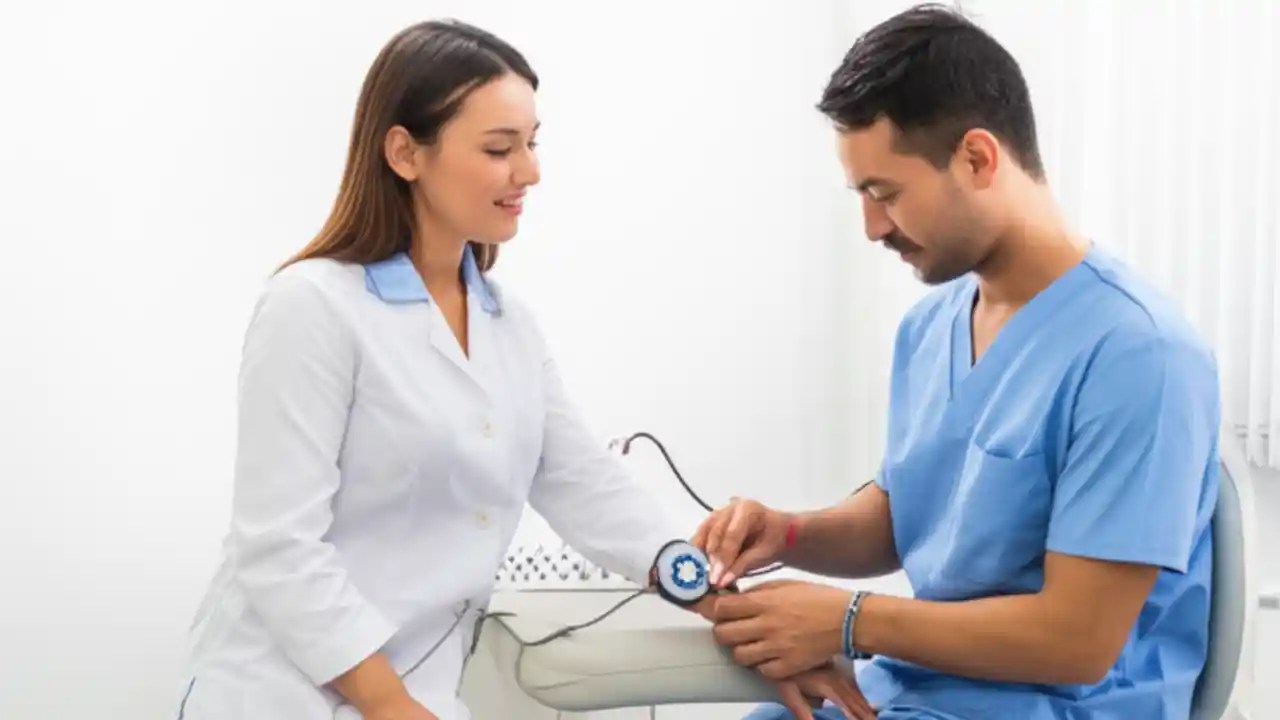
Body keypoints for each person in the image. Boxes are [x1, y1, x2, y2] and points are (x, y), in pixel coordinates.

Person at [694, 5, 1221, 720]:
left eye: (885, 194)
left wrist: (847, 619)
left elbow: (1077, 641)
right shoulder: (930, 326)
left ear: (977, 158)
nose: (873, 228)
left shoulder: (1139, 354)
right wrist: (788, 534)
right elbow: (914, 512)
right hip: (911, 691)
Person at [175, 20, 695, 720]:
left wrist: (691, 575)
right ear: (404, 152)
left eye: (531, 144)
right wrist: (388, 704)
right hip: (282, 693)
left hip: (418, 691)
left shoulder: (509, 325)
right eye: (498, 149)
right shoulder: (313, 306)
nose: (531, 172)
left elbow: (580, 479)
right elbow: (277, 547)